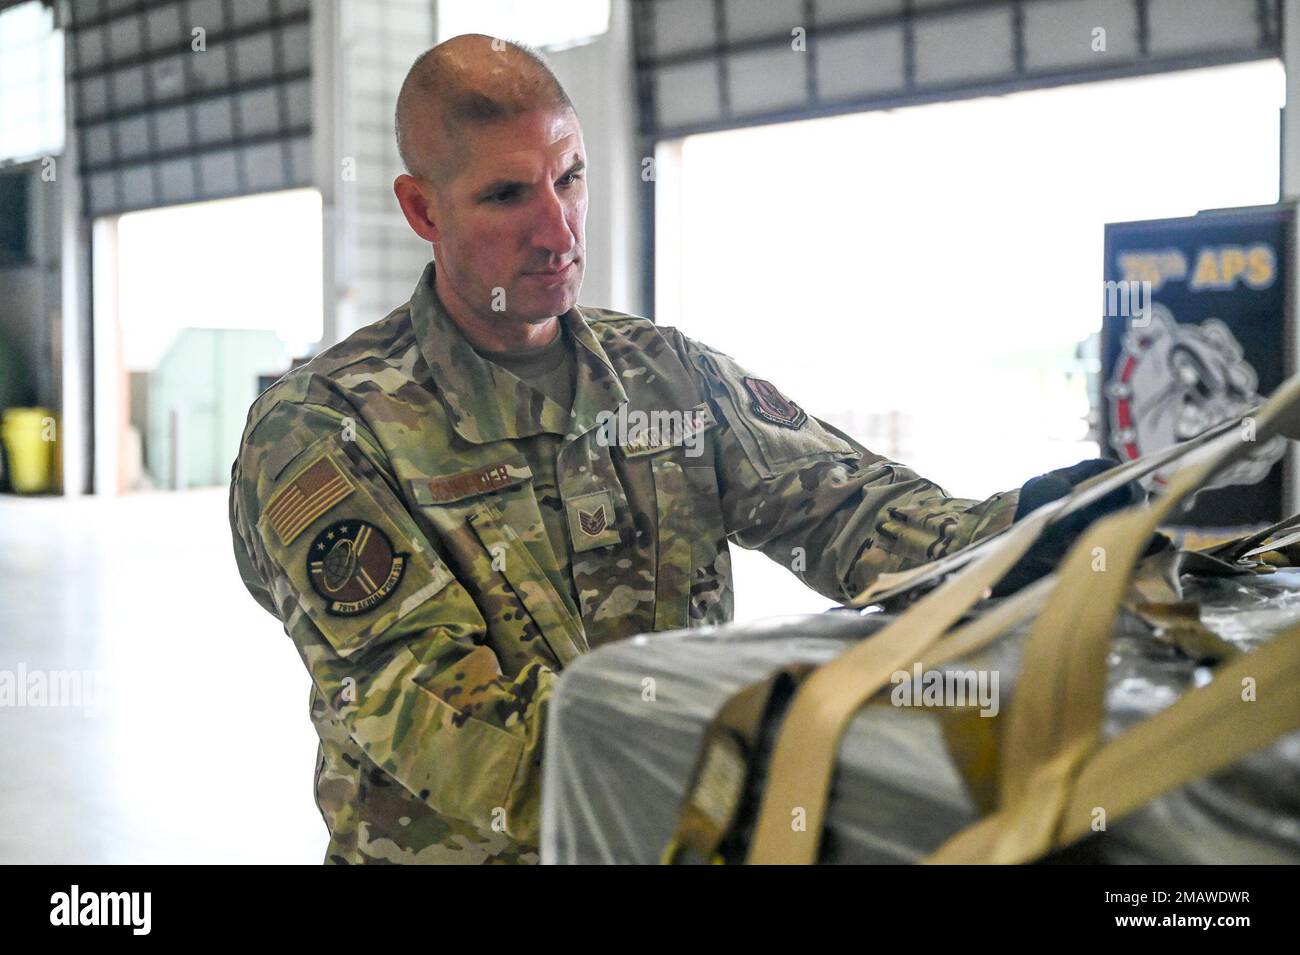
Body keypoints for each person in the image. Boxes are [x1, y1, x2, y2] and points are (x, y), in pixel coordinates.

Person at [228, 34, 1127, 864]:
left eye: (571, 178)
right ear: (421, 208)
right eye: (507, 195)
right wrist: (775, 751)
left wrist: (1023, 532)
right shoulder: (326, 429)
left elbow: (844, 506)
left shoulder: (661, 374)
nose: (560, 230)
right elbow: (446, 722)